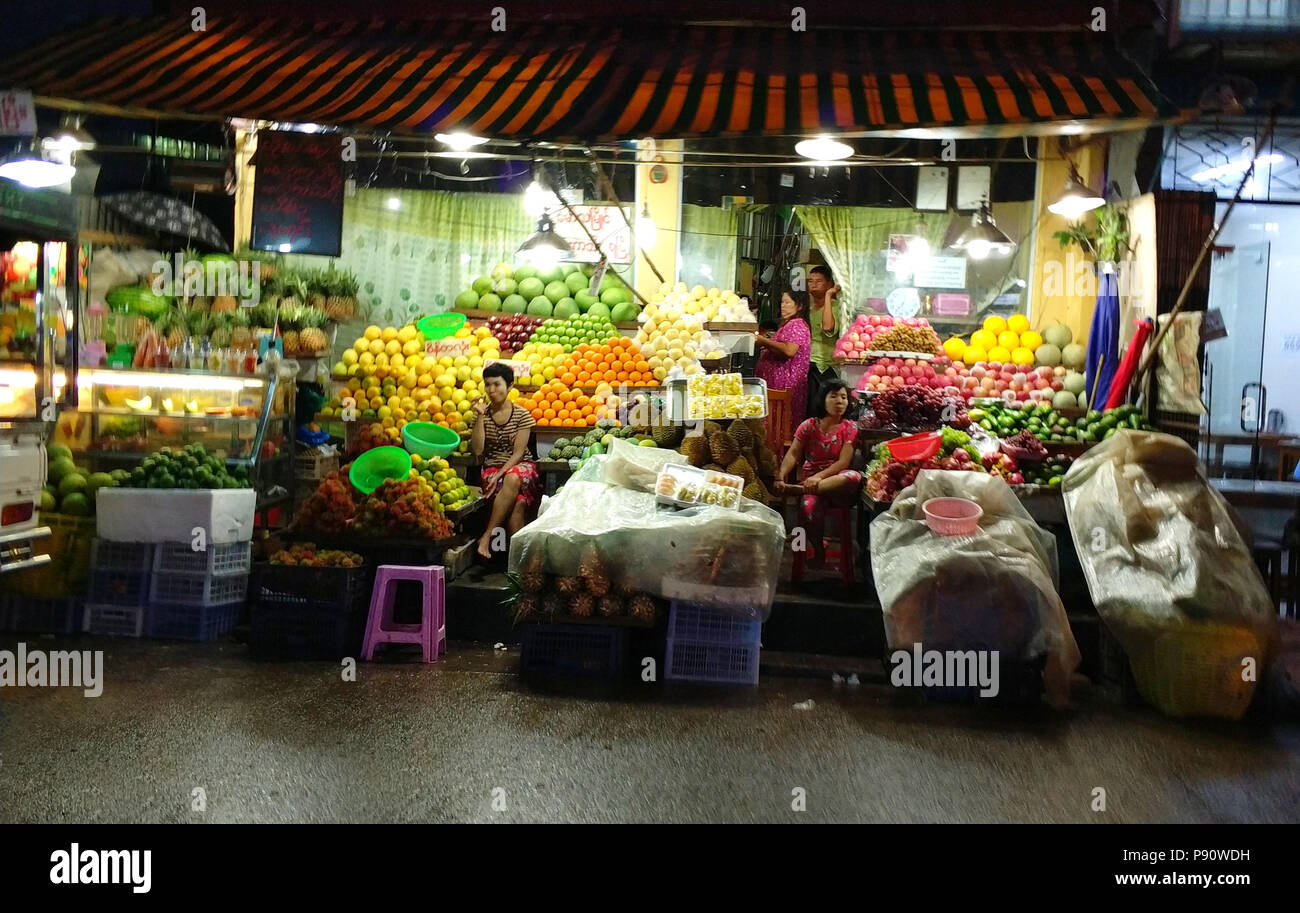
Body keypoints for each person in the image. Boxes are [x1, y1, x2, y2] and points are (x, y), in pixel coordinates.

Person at [775, 379, 861, 568]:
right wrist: (780, 475)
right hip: (810, 485)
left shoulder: (850, 428)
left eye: (844, 397)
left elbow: (843, 462)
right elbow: (793, 454)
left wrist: (818, 478)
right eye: (833, 396)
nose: (839, 401)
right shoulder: (809, 425)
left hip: (834, 486)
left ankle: (797, 490)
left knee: (854, 476)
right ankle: (818, 551)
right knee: (808, 510)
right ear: (822, 399)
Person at [471, 362, 542, 561]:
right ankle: (520, 563)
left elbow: (519, 453)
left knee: (512, 477)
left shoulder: (522, 415)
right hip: (491, 468)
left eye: (497, 384)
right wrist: (479, 417)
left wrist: (500, 475)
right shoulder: (481, 415)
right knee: (518, 504)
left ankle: (486, 536)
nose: (491, 390)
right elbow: (477, 450)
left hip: (521, 467)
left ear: (509, 386)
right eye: (487, 385)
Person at [753, 289, 811, 446]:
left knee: (781, 428)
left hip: (786, 387)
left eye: (787, 303)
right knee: (772, 427)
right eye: (782, 302)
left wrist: (763, 341)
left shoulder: (797, 325)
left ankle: (779, 465)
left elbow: (789, 350)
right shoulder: (787, 325)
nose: (783, 306)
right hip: (776, 387)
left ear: (799, 306)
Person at [806, 265, 841, 414]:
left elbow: (827, 327)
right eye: (810, 281)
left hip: (825, 366)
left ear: (829, 284)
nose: (813, 284)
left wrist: (828, 296)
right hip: (808, 363)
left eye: (819, 281)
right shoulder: (808, 308)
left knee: (822, 410)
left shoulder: (835, 306)